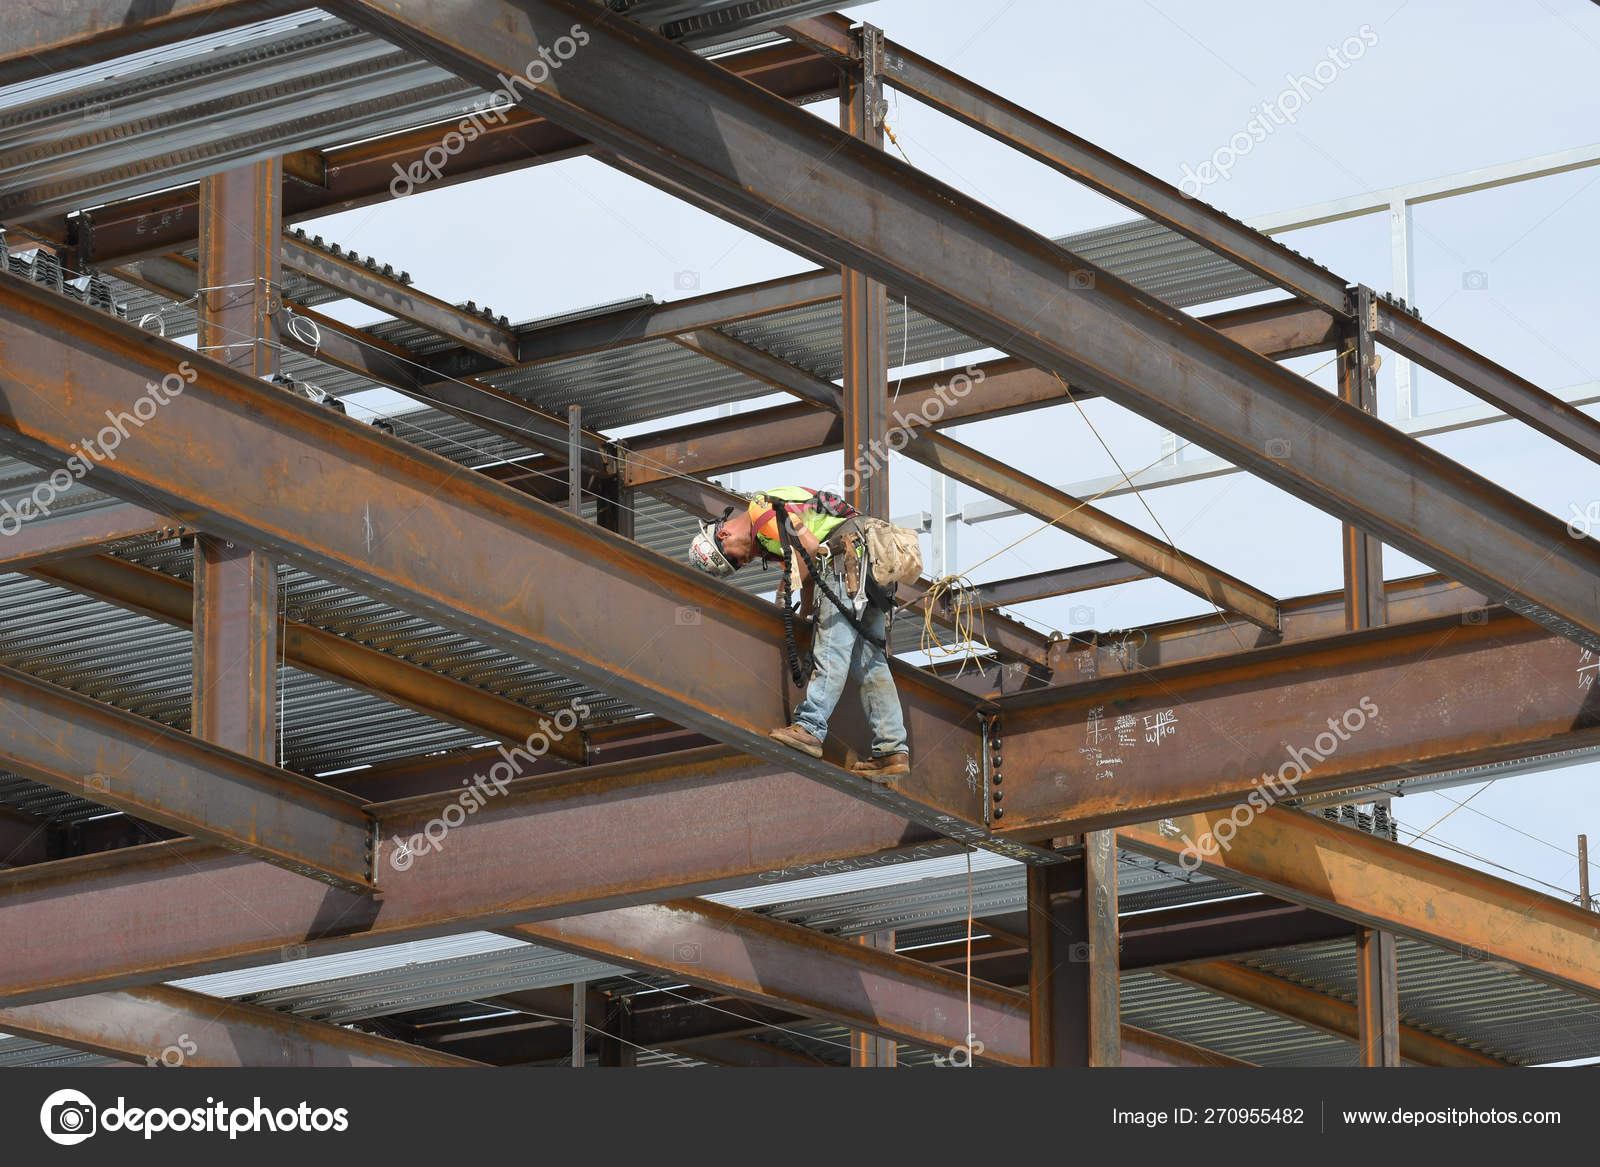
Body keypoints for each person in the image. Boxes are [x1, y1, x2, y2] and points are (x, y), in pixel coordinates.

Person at [688, 487, 910, 781]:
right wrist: (805, 609)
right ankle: (892, 750)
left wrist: (784, 592)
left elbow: (809, 546)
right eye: (736, 567)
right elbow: (807, 565)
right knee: (870, 662)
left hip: (846, 556)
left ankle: (810, 727)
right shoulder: (768, 530)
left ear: (724, 534)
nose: (743, 563)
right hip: (871, 559)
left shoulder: (763, 513)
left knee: (831, 650)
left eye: (733, 560)